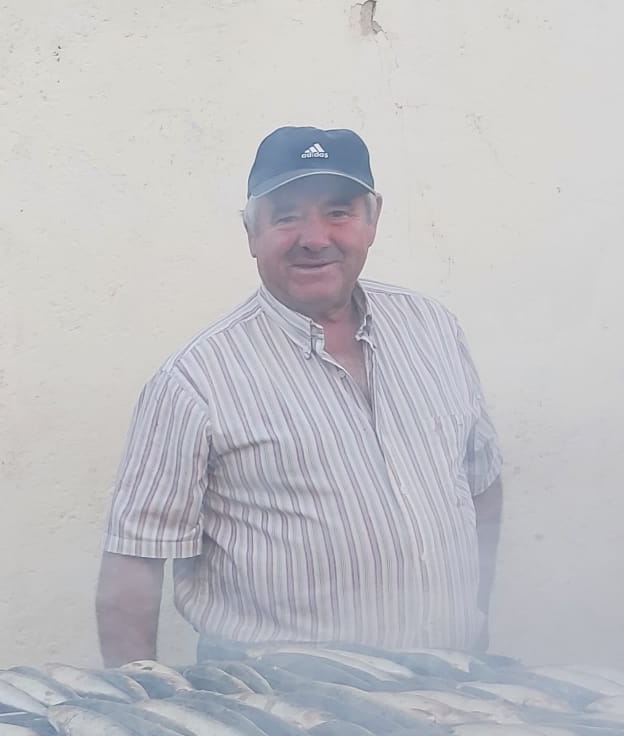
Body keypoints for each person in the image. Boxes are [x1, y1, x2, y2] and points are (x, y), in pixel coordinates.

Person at [95, 126, 504, 667]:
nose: (315, 237)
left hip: (445, 690)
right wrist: (142, 710)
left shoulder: (433, 330)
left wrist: (473, 614)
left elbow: (482, 483)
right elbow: (134, 568)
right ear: (250, 233)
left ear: (373, 219)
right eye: (286, 215)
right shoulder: (193, 382)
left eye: (338, 211)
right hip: (276, 717)